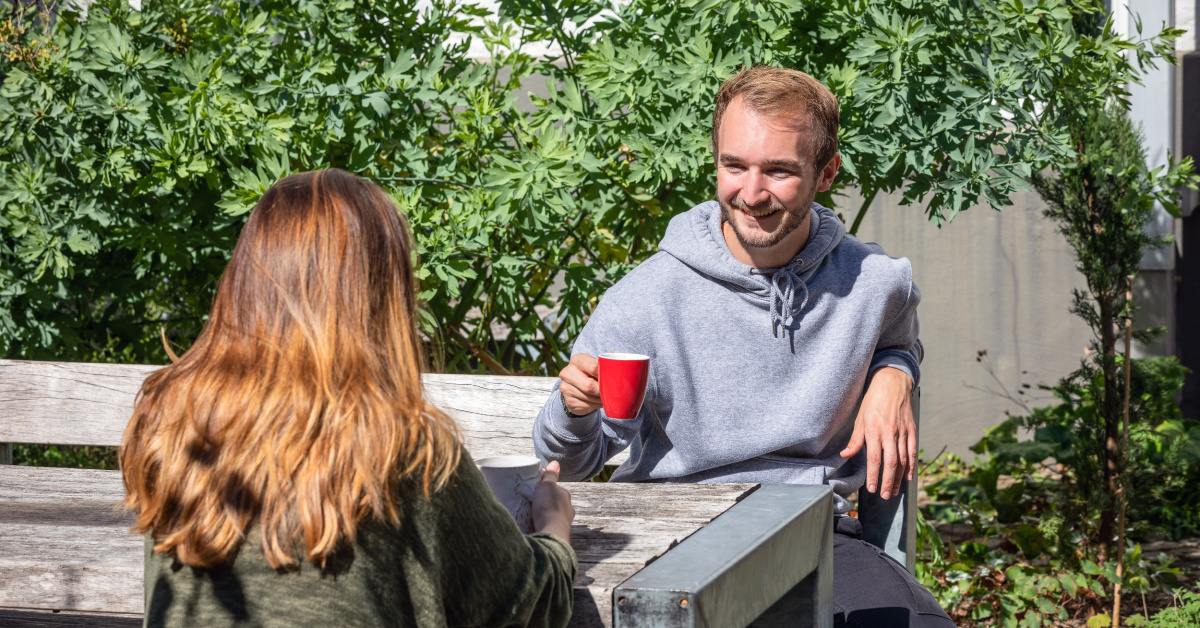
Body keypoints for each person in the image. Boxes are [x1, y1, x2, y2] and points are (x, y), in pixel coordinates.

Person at [533, 67, 955, 626]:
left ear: (826, 172)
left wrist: (894, 373)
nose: (751, 194)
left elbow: (900, 341)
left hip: (813, 535)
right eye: (734, 166)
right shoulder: (647, 297)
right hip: (671, 535)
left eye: (778, 171)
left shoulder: (876, 283)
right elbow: (569, 465)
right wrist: (574, 409)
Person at [121, 169, 577, 627]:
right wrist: (555, 527)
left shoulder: (172, 428)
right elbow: (530, 606)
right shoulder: (403, 452)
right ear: (382, 298)